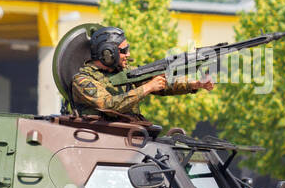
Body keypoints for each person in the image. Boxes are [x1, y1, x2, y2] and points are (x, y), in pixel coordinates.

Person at [70, 26, 213, 119]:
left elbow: (162, 84)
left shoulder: (123, 73)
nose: (128, 54)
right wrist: (147, 88)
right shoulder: (82, 81)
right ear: (108, 53)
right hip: (104, 137)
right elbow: (109, 105)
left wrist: (195, 84)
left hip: (131, 133)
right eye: (124, 51)